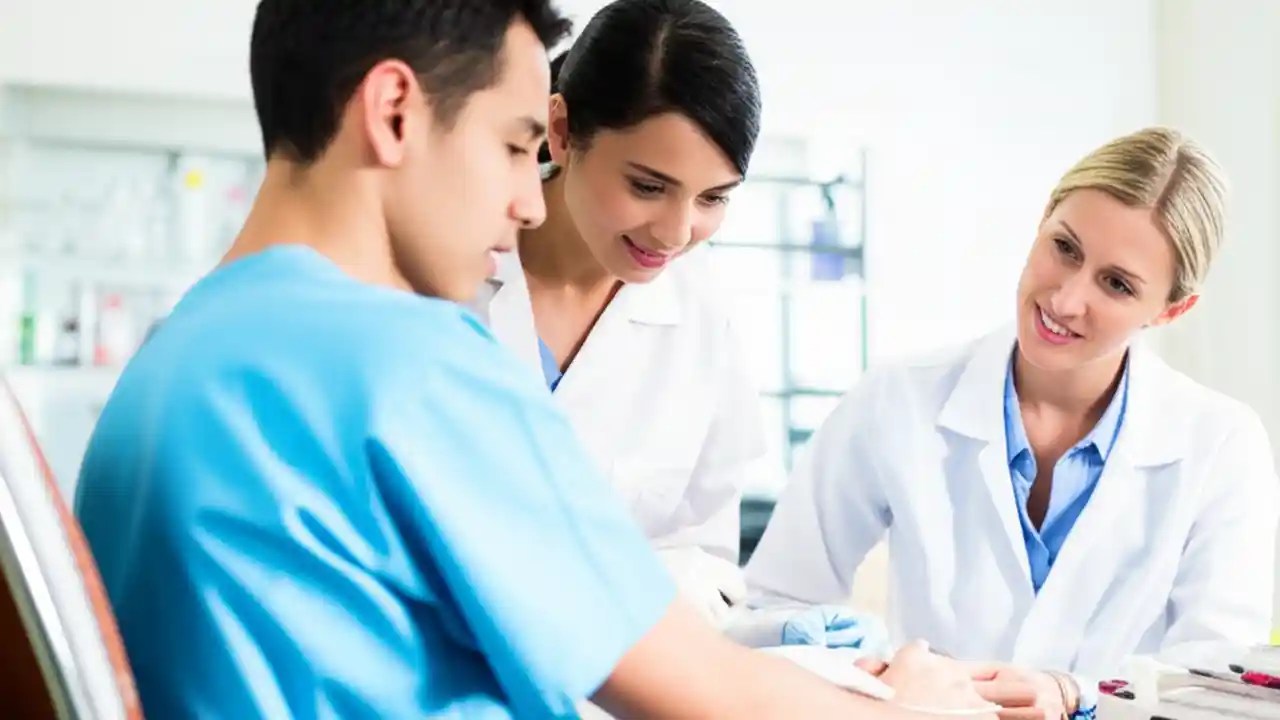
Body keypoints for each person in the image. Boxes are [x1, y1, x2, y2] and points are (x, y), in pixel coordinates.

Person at [73, 1, 992, 717]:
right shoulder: (411, 365)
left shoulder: (169, 363)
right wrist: (910, 705)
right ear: (394, 111)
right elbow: (710, 701)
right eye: (516, 145)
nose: (526, 199)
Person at [745, 127, 1279, 715]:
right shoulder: (897, 400)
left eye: (1117, 284)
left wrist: (1078, 696)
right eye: (1066, 248)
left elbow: (1218, 690)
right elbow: (777, 602)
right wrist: (845, 662)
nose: (1066, 299)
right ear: (1044, 218)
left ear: (1171, 310)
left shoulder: (1222, 445)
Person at [472, 0, 875, 648]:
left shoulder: (700, 318)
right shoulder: (449, 275)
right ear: (563, 130)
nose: (677, 233)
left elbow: (701, 567)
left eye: (714, 198)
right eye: (648, 185)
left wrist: (767, 635)